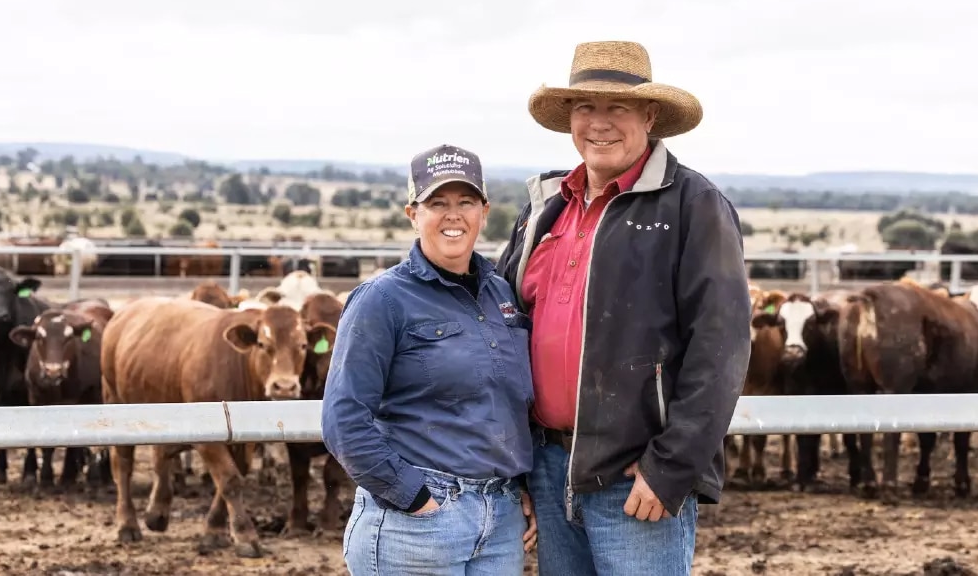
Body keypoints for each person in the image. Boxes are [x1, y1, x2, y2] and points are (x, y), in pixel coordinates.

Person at [496, 40, 752, 575]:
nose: (599, 123)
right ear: (570, 117)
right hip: (548, 465)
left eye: (618, 108)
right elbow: (504, 328)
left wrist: (671, 467)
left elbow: (721, 348)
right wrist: (514, 462)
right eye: (585, 107)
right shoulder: (546, 207)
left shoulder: (692, 206)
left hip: (637, 475)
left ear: (650, 115)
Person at [322, 143, 538, 575]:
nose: (453, 215)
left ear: (484, 211)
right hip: (416, 524)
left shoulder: (502, 293)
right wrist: (414, 497)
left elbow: (512, 403)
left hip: (500, 520)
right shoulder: (382, 299)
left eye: (465, 202)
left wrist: (520, 484)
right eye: (437, 203)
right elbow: (343, 418)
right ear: (413, 214)